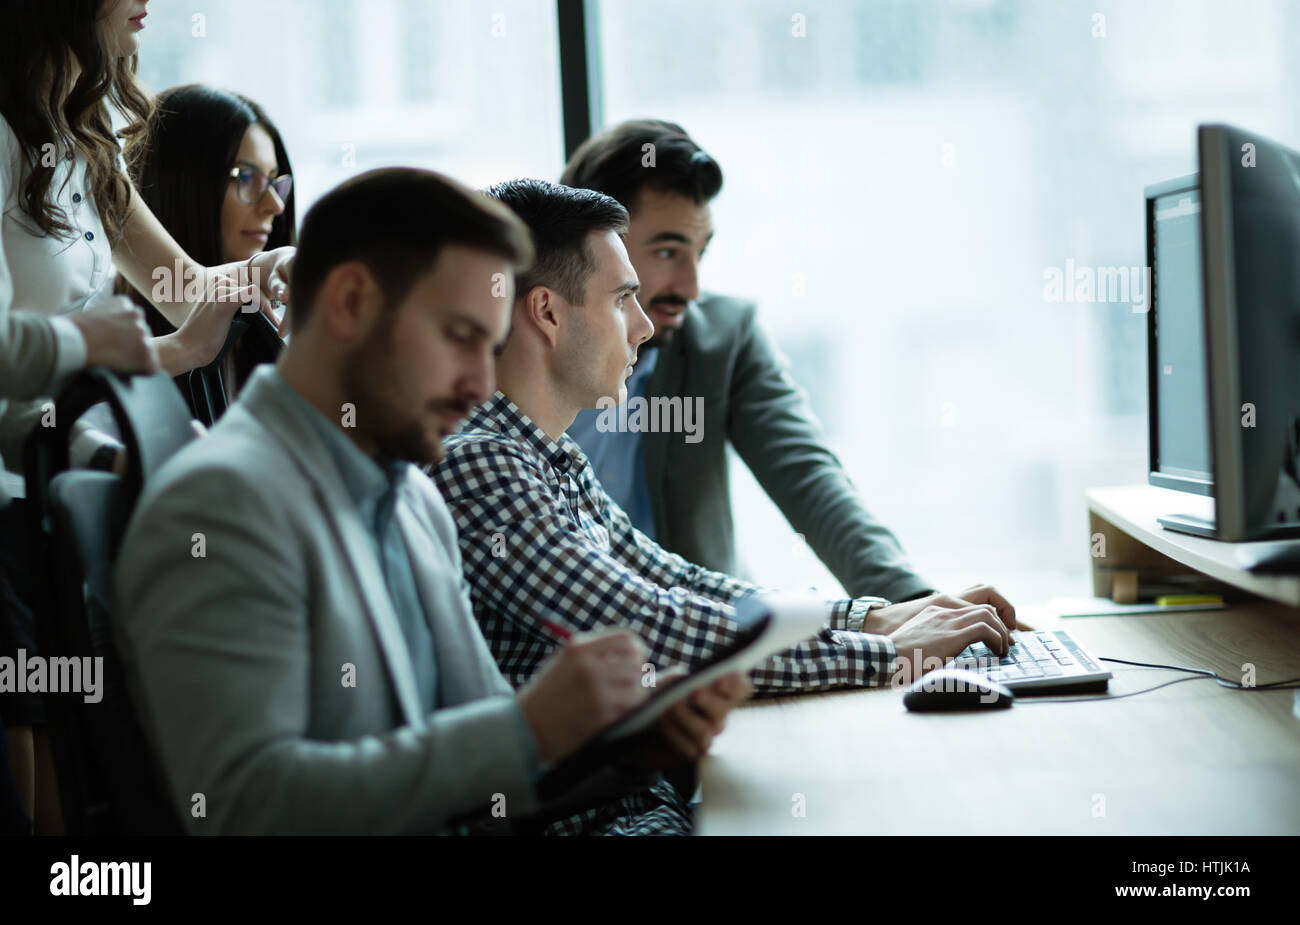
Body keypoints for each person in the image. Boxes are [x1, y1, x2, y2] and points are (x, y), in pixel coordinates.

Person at [115, 167, 750, 835]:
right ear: (352, 302)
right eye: (460, 336)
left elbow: (482, 761)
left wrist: (621, 744)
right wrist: (528, 729)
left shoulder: (415, 498)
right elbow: (245, 807)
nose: (482, 385)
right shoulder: (219, 506)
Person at [432, 178, 1016, 832]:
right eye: (623, 298)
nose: (646, 325)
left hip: (634, 800)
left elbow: (677, 580)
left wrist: (872, 617)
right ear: (547, 312)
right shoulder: (482, 459)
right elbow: (651, 628)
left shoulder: (550, 454)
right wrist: (893, 655)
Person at [0, 0, 291, 833]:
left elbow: (185, 292)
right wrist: (81, 341)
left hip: (63, 498)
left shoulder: (85, 145)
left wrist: (275, 269)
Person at [562, 119, 933, 603]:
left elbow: (810, 478)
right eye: (668, 251)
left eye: (701, 252)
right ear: (594, 246)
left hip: (703, 639)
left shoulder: (725, 338)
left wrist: (914, 603)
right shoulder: (510, 352)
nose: (691, 287)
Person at [121, 84, 295, 416]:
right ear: (181, 186)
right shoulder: (109, 335)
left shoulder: (265, 321)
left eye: (275, 181)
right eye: (245, 177)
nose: (274, 205)